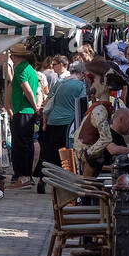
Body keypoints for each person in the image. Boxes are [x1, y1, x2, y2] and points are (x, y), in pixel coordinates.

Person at [37, 62, 88, 190]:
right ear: (82, 73)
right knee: (66, 153)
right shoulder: (81, 86)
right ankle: (63, 182)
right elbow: (83, 105)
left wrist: (44, 120)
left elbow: (48, 100)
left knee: (49, 152)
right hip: (69, 123)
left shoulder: (60, 82)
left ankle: (42, 180)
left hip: (52, 120)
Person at [5, 41, 39, 188]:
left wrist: (34, 106)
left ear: (14, 56)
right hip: (27, 111)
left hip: (23, 111)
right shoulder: (30, 68)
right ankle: (27, 176)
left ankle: (23, 177)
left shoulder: (20, 68)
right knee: (27, 144)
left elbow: (27, 89)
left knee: (20, 145)